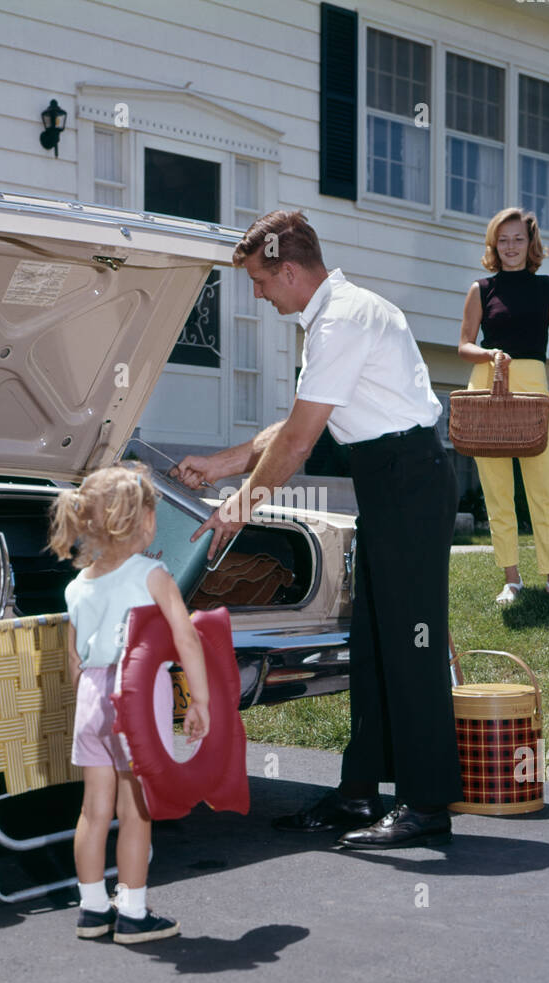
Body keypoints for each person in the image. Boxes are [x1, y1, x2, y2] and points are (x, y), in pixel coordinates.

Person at [175, 210, 463, 850]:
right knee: (373, 644)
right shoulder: (335, 315)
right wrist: (221, 464)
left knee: (412, 646)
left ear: (289, 269)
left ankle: (426, 806)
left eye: (259, 280)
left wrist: (240, 507)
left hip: (410, 479)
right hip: (390, 480)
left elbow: (301, 441)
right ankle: (360, 794)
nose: (257, 292)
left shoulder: (341, 319)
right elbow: (299, 422)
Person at [49, 462, 210, 943]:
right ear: (144, 523)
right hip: (138, 696)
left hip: (93, 698)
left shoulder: (76, 586)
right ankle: (134, 912)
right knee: (136, 808)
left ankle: (93, 908)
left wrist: (90, 704)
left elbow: (73, 660)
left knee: (93, 810)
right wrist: (197, 700)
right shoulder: (154, 575)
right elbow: (187, 638)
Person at [457, 207, 549, 604]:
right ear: (493, 244)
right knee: (498, 491)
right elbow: (463, 345)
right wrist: (489, 355)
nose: (511, 246)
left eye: (518, 239)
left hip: (534, 388)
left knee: (543, 487)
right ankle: (511, 579)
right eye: (503, 239)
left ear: (530, 243)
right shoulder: (480, 289)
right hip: (488, 385)